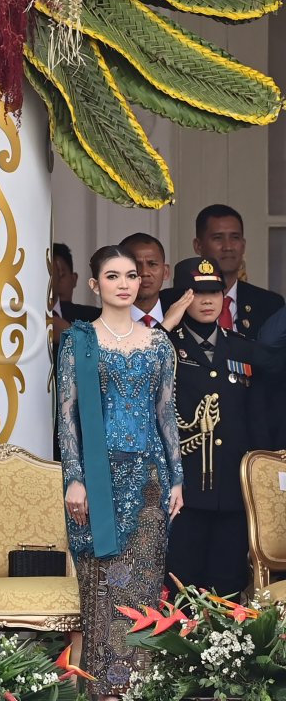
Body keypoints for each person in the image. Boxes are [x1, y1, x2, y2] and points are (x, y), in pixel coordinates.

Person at [57, 245, 184, 701]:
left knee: (143, 584)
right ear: (95, 285)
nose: (125, 283)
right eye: (113, 276)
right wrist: (75, 477)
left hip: (150, 475)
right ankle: (105, 691)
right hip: (97, 474)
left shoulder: (157, 343)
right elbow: (67, 416)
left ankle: (139, 689)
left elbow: (166, 415)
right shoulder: (79, 341)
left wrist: (177, 479)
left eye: (131, 275)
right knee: (105, 582)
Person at [160, 257, 265, 599]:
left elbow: (259, 417)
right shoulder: (164, 347)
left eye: (214, 291)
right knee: (179, 587)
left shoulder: (244, 348)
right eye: (197, 292)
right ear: (181, 297)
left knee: (229, 586)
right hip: (183, 492)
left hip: (233, 491)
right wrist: (165, 326)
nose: (207, 300)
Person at [179, 204, 284, 338]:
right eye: (218, 238)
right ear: (198, 246)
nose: (228, 247)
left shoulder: (270, 305)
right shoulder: (177, 303)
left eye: (235, 237)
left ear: (243, 245)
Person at [118, 233, 170, 327]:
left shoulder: (183, 320)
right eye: (136, 265)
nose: (145, 273)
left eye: (152, 264)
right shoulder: (101, 325)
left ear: (165, 272)